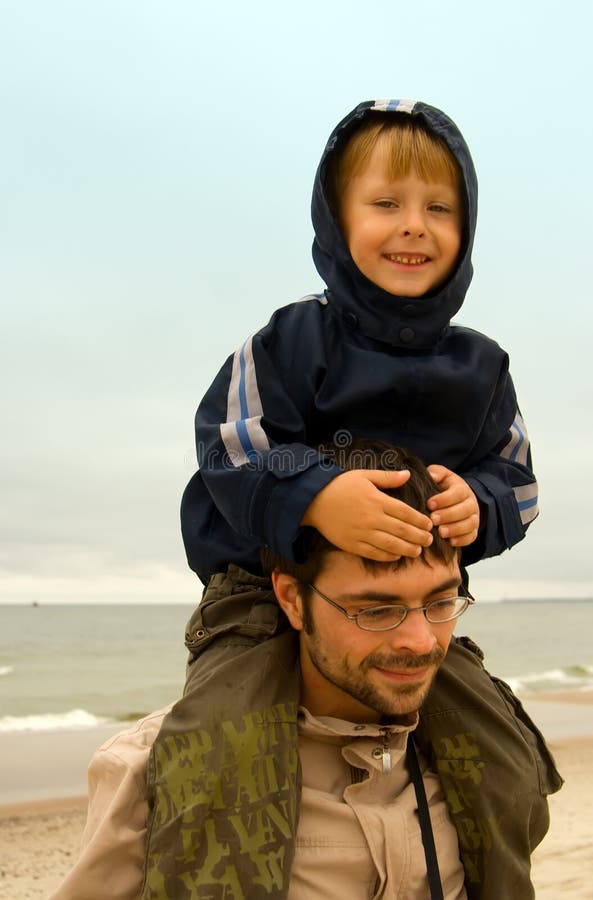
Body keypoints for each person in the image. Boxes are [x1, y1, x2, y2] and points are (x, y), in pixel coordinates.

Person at [145, 99, 542, 894]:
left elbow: (518, 481)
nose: (413, 226)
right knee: (218, 750)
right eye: (385, 203)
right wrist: (317, 496)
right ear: (335, 220)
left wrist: (479, 506)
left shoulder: (482, 367)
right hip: (258, 592)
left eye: (439, 208)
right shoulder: (289, 340)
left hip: (407, 607)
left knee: (505, 756)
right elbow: (227, 444)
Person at [52, 443, 560, 900]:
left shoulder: (481, 761)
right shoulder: (152, 768)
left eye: (441, 602)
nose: (422, 641)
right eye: (376, 610)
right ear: (292, 599)